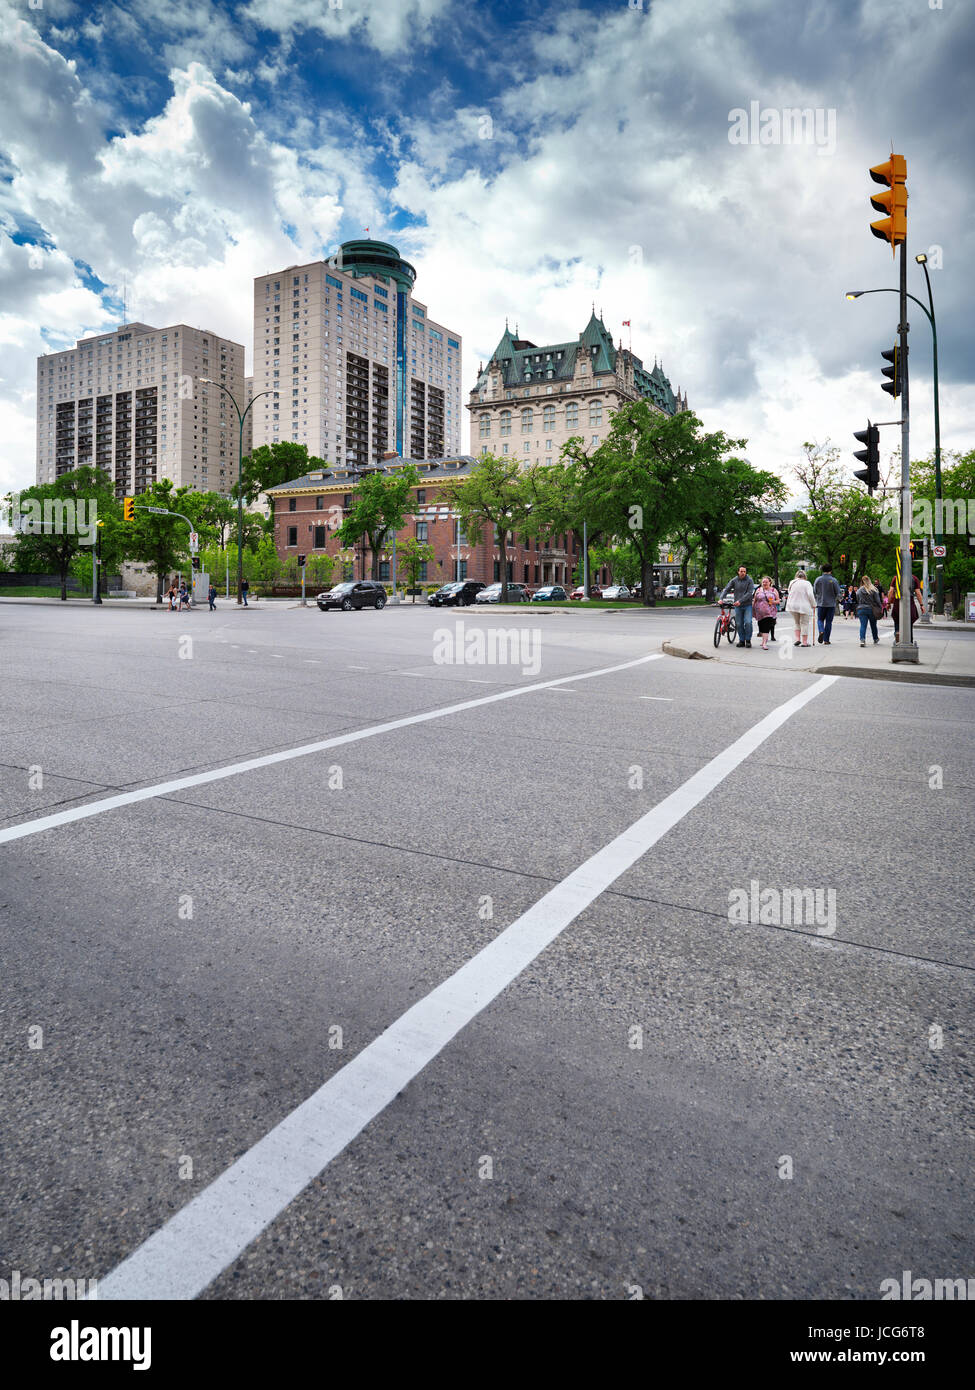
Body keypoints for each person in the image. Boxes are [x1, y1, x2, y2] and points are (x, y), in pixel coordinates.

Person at [719, 564, 756, 648]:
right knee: (739, 624)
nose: (743, 573)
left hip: (747, 605)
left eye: (744, 571)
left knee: (748, 622)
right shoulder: (734, 580)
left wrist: (740, 601)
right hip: (737, 606)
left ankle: (748, 640)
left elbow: (749, 593)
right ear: (738, 572)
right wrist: (721, 598)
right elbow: (726, 589)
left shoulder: (749, 580)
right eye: (741, 571)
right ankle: (741, 640)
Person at [888, 573, 924, 643]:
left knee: (897, 620)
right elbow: (918, 592)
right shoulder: (914, 578)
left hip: (898, 602)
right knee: (909, 622)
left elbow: (891, 591)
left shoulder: (896, 578)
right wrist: (921, 605)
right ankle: (909, 640)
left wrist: (888, 603)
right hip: (909, 602)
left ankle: (897, 633)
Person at [786, 569, 816, 646]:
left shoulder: (792, 582)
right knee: (804, 623)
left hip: (792, 605)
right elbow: (810, 594)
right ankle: (804, 642)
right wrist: (813, 604)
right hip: (804, 605)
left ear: (796, 576)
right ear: (805, 576)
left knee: (796, 622)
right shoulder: (807, 583)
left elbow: (790, 592)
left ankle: (797, 639)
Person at [813, 565, 841, 645]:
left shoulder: (818, 579)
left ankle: (821, 631)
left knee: (820, 619)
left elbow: (814, 591)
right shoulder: (833, 580)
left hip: (821, 603)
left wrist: (817, 598)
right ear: (830, 570)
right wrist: (839, 599)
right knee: (829, 622)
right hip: (831, 604)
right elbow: (838, 593)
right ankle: (826, 640)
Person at [752, 575, 780, 650]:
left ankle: (764, 643)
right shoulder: (758, 590)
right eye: (763, 582)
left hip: (769, 612)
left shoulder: (774, 590)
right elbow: (754, 600)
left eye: (766, 582)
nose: (764, 583)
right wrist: (752, 609)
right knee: (761, 626)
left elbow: (778, 600)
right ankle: (764, 639)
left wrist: (773, 601)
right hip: (759, 612)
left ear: (770, 582)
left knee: (766, 627)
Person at [855, 575, 883, 646]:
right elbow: (878, 600)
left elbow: (857, 599)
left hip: (861, 609)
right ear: (869, 581)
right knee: (873, 625)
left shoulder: (859, 590)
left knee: (863, 625)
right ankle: (875, 639)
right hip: (871, 609)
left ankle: (862, 640)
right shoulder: (873, 589)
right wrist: (881, 607)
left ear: (862, 581)